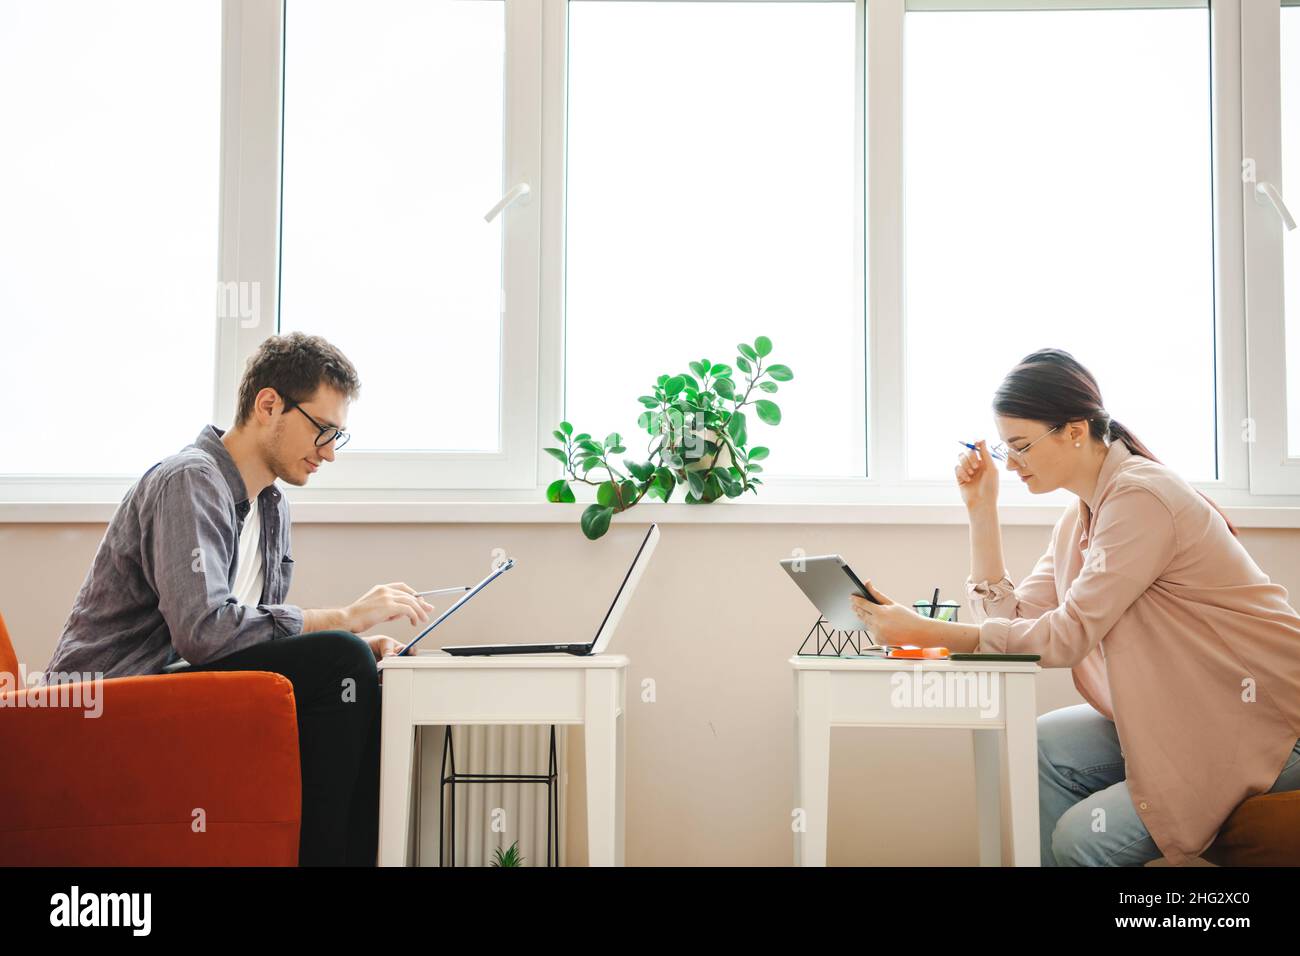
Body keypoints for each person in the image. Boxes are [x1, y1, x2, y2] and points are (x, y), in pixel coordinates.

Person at [848, 347, 1300, 866]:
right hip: (1194, 713)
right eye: (1005, 448)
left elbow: (1065, 637)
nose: (1011, 463)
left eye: (1020, 446)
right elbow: (1014, 627)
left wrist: (931, 633)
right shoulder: (1080, 518)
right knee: (1043, 743)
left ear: (1074, 430)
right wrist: (981, 512)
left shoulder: (1140, 500)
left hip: (1266, 722)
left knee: (1081, 840)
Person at [39, 331, 435, 865]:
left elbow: (251, 642)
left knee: (360, 670)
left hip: (182, 693)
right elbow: (204, 633)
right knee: (341, 656)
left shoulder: (272, 508)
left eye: (337, 438)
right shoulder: (189, 481)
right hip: (110, 702)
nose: (329, 454)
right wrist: (344, 622)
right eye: (323, 431)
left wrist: (355, 642)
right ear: (268, 404)